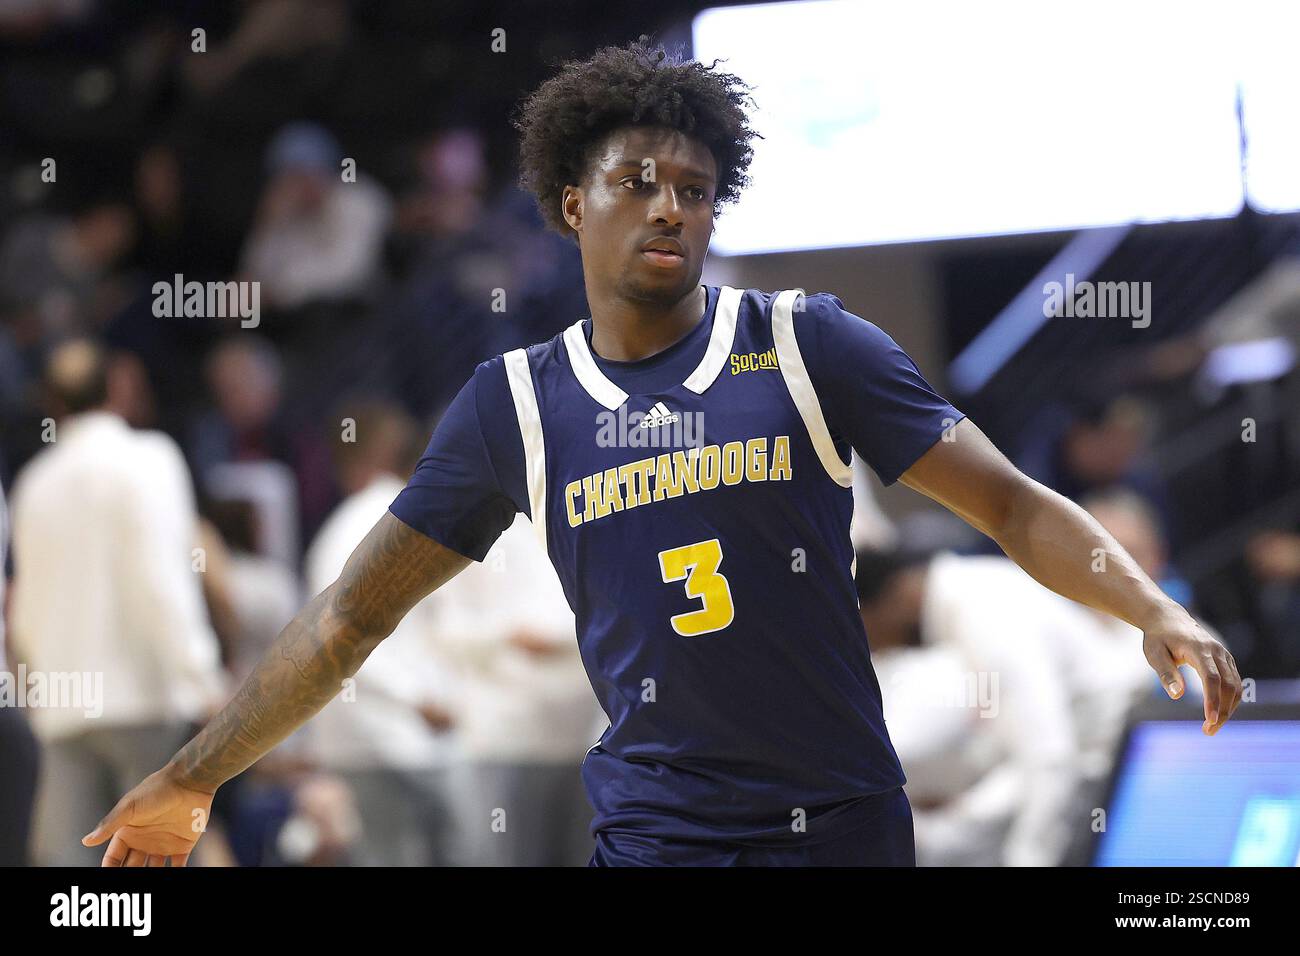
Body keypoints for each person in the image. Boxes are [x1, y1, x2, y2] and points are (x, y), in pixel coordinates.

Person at [84, 38, 1242, 868]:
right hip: (655, 832)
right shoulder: (519, 405)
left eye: (694, 188)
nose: (670, 208)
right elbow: (348, 618)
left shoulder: (808, 345)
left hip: (837, 822)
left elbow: (1011, 503)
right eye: (636, 183)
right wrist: (197, 770)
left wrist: (1148, 605)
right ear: (566, 207)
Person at [9, 339, 225, 866]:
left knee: (74, 887)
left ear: (51, 404)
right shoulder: (149, 459)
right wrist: (201, 679)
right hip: (142, 700)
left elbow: (25, 609)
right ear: (117, 387)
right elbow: (161, 582)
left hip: (62, 711)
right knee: (159, 861)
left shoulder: (32, 483)